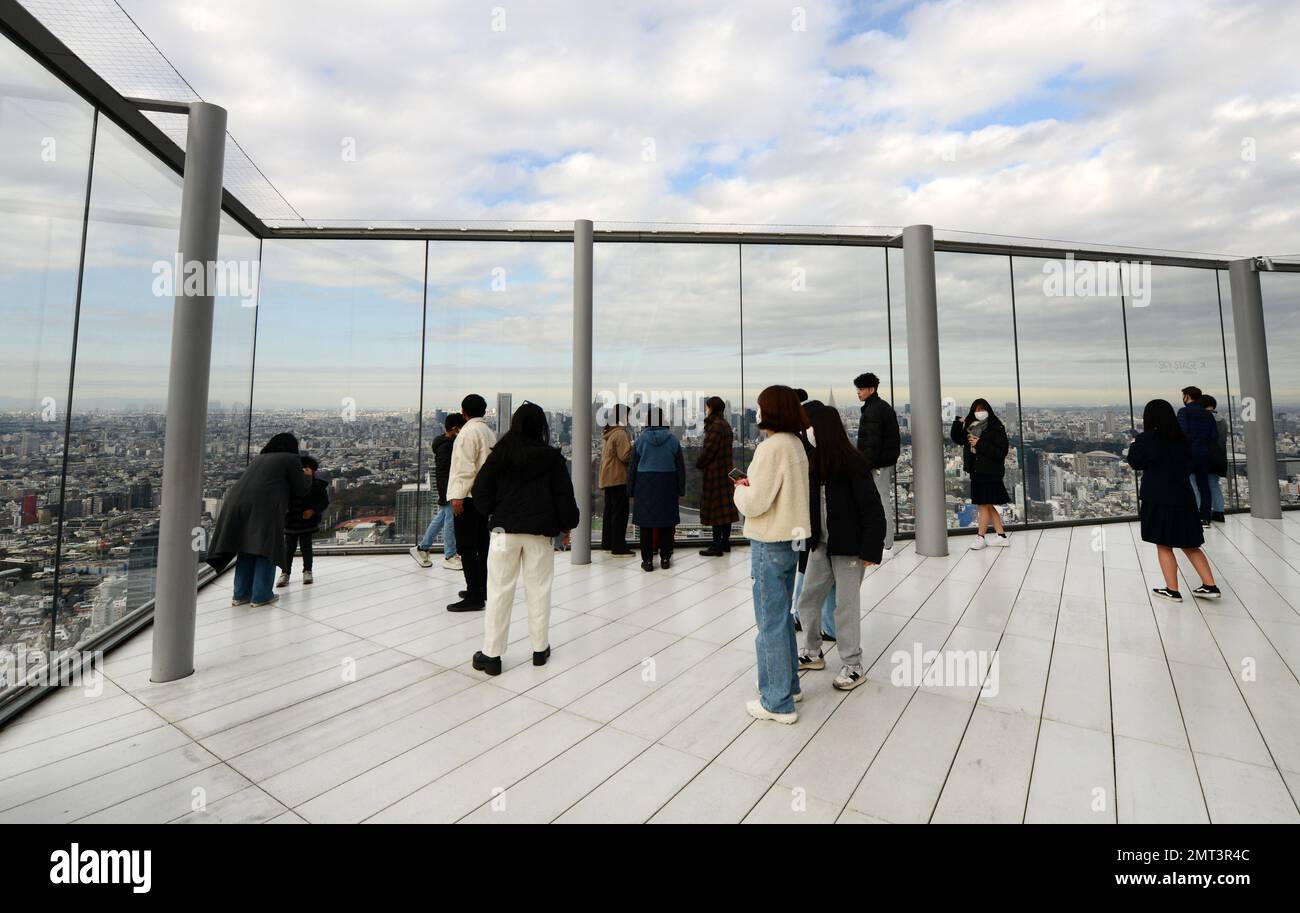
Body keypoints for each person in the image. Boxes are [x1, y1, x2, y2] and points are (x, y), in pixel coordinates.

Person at [470, 403, 580, 676]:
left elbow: (480, 491)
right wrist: (567, 525)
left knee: (499, 591)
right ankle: (540, 649)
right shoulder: (551, 458)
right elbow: (563, 496)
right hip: (539, 534)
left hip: (503, 532)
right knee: (539, 590)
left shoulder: (501, 454)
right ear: (541, 426)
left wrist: (494, 512)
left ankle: (492, 655)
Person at [734, 385, 811, 724]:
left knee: (769, 620)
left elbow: (756, 501)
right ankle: (788, 685)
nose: (757, 412)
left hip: (770, 539)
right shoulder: (795, 444)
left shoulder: (770, 448)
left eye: (760, 407)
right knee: (781, 617)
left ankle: (777, 701)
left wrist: (740, 491)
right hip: (792, 537)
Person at [796, 406, 886, 691]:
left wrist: (872, 549)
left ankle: (853, 663)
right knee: (807, 600)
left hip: (849, 548)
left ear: (822, 429)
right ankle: (812, 651)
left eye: (809, 426)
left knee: (845, 607)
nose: (806, 431)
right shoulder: (814, 461)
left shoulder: (853, 464)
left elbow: (873, 509)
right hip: (821, 545)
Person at [1126, 399, 1221, 602]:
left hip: (1157, 497)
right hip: (1183, 496)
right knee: (1190, 544)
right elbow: (1188, 465)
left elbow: (1135, 463)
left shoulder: (1145, 439)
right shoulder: (1183, 439)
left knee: (1164, 544)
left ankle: (1172, 589)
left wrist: (1135, 444)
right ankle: (1210, 585)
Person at [205, 432, 313, 608]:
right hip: (264, 506)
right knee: (266, 547)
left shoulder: (260, 458)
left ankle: (240, 595)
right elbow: (300, 489)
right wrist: (308, 475)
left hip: (235, 502)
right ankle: (261, 595)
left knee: (246, 546)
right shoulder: (291, 458)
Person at [446, 394, 496, 611]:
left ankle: (474, 596)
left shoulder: (467, 433)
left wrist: (457, 496)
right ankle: (481, 588)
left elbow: (463, 469)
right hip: (483, 498)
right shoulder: (488, 432)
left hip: (467, 497)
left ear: (463, 411)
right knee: (482, 545)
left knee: (466, 547)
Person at [628, 406, 685, 572]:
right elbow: (680, 468)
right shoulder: (673, 440)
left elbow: (632, 468)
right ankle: (665, 558)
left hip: (645, 484)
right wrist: (680, 490)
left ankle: (647, 561)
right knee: (666, 522)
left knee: (645, 524)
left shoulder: (640, 440)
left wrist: (630, 490)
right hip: (667, 484)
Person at [951, 399, 1011, 549]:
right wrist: (958, 421)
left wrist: (980, 443)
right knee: (987, 505)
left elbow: (1001, 452)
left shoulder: (996, 427)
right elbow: (957, 438)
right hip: (977, 471)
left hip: (991, 472)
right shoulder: (971, 427)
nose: (980, 412)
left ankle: (980, 537)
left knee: (983, 505)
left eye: (982, 409)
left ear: (988, 410)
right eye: (977, 409)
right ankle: (1001, 536)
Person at [410, 413, 465, 569]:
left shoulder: (444, 443)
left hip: (447, 489)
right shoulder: (447, 447)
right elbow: (445, 472)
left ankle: (422, 548)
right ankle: (449, 556)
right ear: (455, 429)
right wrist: (450, 493)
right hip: (449, 489)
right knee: (450, 521)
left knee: (441, 518)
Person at [854, 372, 900, 559]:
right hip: (882, 463)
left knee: (882, 503)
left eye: (861, 389)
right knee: (880, 503)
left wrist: (864, 465)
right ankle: (883, 543)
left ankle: (887, 545)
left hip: (878, 465)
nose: (858, 392)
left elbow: (872, 444)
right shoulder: (878, 407)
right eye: (857, 389)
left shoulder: (873, 410)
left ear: (871, 389)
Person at [277, 454, 329, 587]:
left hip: (306, 522)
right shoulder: (289, 485)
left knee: (306, 547)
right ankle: (285, 572)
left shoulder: (317, 486)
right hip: (291, 521)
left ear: (313, 471)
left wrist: (312, 510)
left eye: (306, 468)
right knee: (288, 548)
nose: (303, 471)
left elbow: (324, 502)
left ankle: (307, 570)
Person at [696, 396, 739, 557]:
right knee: (724, 510)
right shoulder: (726, 425)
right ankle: (725, 542)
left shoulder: (715, 426)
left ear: (712, 408)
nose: (706, 410)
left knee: (716, 511)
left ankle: (716, 545)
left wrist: (699, 463)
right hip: (726, 472)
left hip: (715, 473)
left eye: (708, 407)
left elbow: (709, 451)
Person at [1177, 385, 1218, 528]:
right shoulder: (1208, 414)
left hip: (1188, 454)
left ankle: (1185, 516)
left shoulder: (1183, 412)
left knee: (1182, 485)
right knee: (1204, 487)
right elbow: (1214, 436)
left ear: (1187, 396)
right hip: (1203, 454)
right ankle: (1205, 517)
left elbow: (1181, 433)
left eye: (1183, 396)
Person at [598, 403, 635, 557]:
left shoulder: (609, 432)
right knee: (620, 513)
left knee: (609, 512)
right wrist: (634, 447)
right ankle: (618, 547)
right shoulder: (620, 433)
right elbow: (625, 456)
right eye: (628, 415)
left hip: (607, 477)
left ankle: (607, 543)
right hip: (618, 477)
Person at [1201, 394, 1229, 523]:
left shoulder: (1203, 419)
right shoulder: (1222, 421)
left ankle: (1201, 513)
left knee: (1197, 484)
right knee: (1214, 485)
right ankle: (1219, 512)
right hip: (1219, 457)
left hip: (1204, 456)